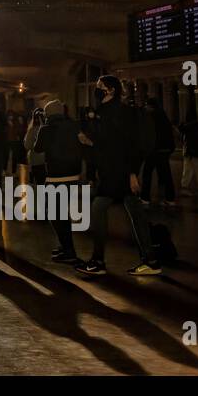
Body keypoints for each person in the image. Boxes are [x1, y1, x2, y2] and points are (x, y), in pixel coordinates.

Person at [76, 75, 162, 276]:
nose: (96, 89)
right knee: (136, 213)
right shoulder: (104, 111)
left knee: (98, 210)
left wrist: (132, 172)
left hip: (118, 171)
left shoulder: (121, 112)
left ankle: (98, 261)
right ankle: (150, 260)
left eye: (100, 86)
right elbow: (107, 141)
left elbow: (129, 144)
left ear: (111, 90)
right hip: (112, 169)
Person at [26, 99, 83, 263]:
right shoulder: (74, 125)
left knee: (54, 213)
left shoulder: (46, 129)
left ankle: (69, 250)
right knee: (63, 212)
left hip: (55, 175)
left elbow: (37, 148)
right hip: (73, 175)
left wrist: (42, 127)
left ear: (47, 114)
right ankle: (65, 247)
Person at [140, 98, 177, 208]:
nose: (146, 107)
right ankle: (170, 198)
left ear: (151, 106)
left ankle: (145, 198)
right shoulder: (163, 116)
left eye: (147, 105)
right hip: (165, 150)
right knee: (166, 174)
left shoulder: (150, 117)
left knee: (147, 173)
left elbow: (149, 134)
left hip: (154, 150)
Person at [179, 105, 198, 208]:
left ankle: (185, 187)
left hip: (189, 152)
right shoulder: (196, 126)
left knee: (188, 170)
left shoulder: (187, 126)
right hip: (196, 152)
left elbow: (183, 136)